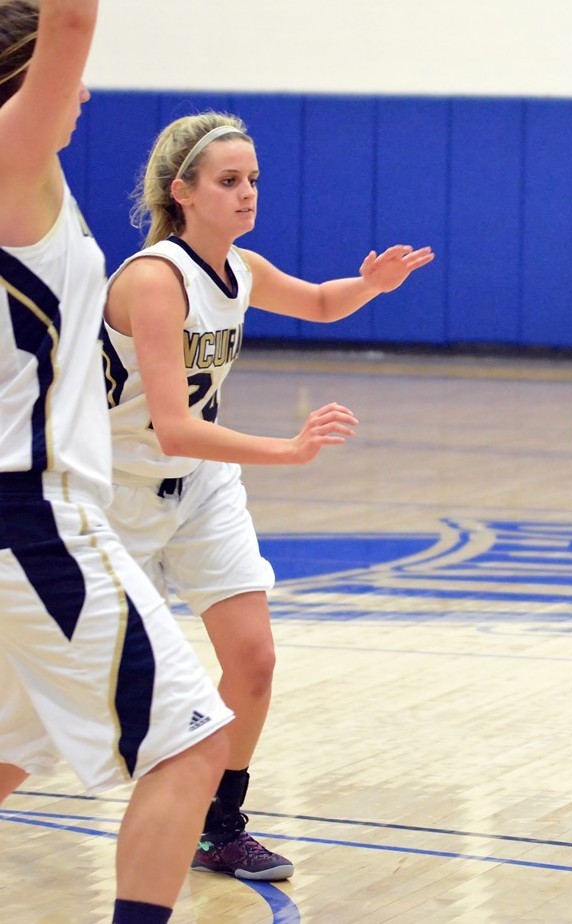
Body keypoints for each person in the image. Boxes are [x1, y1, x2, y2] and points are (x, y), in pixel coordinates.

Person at [99, 110, 434, 882]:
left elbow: (318, 302)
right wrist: (287, 449)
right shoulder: (154, 279)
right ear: (182, 192)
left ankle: (219, 825)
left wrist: (369, 286)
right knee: (74, 700)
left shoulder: (239, 269)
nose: (247, 193)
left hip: (201, 491)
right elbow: (174, 428)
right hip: (115, 495)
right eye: (228, 181)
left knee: (253, 659)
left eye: (252, 179)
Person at [0, 3, 234, 923]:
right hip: (36, 515)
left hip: (24, 514)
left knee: (10, 749)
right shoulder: (15, 160)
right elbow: (71, 19)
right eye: (66, 76)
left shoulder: (29, 175)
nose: (85, 90)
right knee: (190, 744)